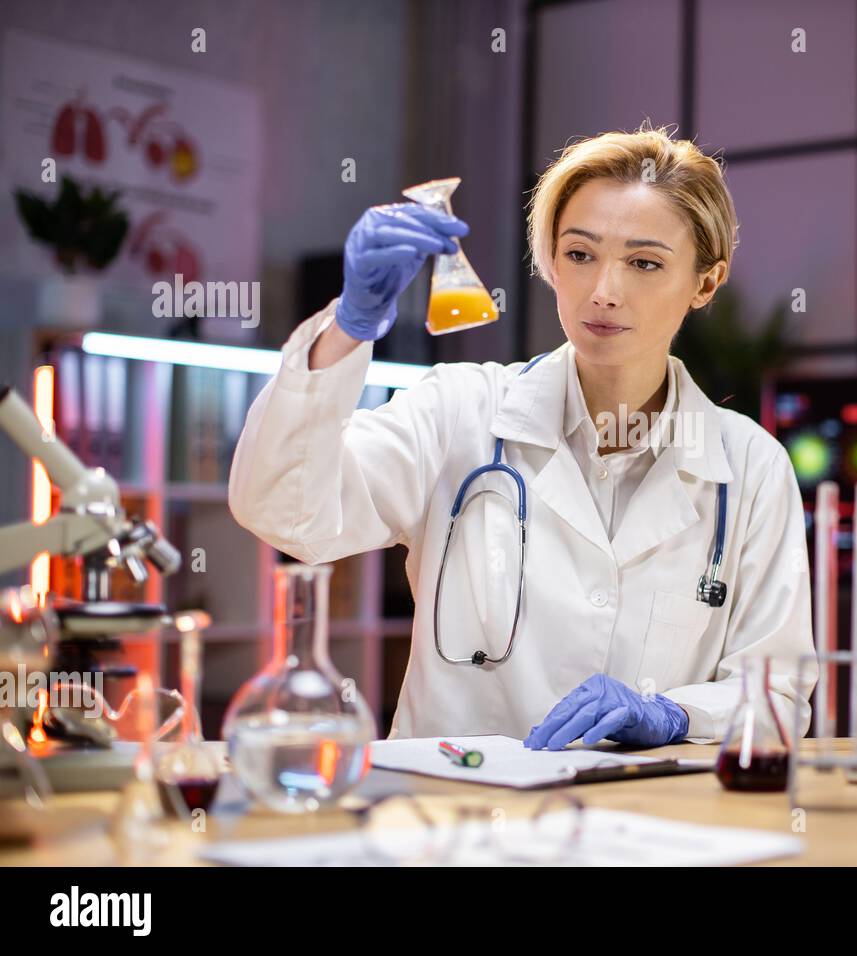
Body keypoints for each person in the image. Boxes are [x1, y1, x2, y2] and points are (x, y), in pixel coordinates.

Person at [229, 123, 814, 751]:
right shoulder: (459, 410)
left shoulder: (749, 467)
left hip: (645, 826)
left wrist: (672, 715)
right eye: (580, 254)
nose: (604, 292)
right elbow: (287, 514)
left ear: (705, 282)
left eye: (644, 263)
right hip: (454, 819)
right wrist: (349, 327)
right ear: (550, 263)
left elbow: (776, 695)